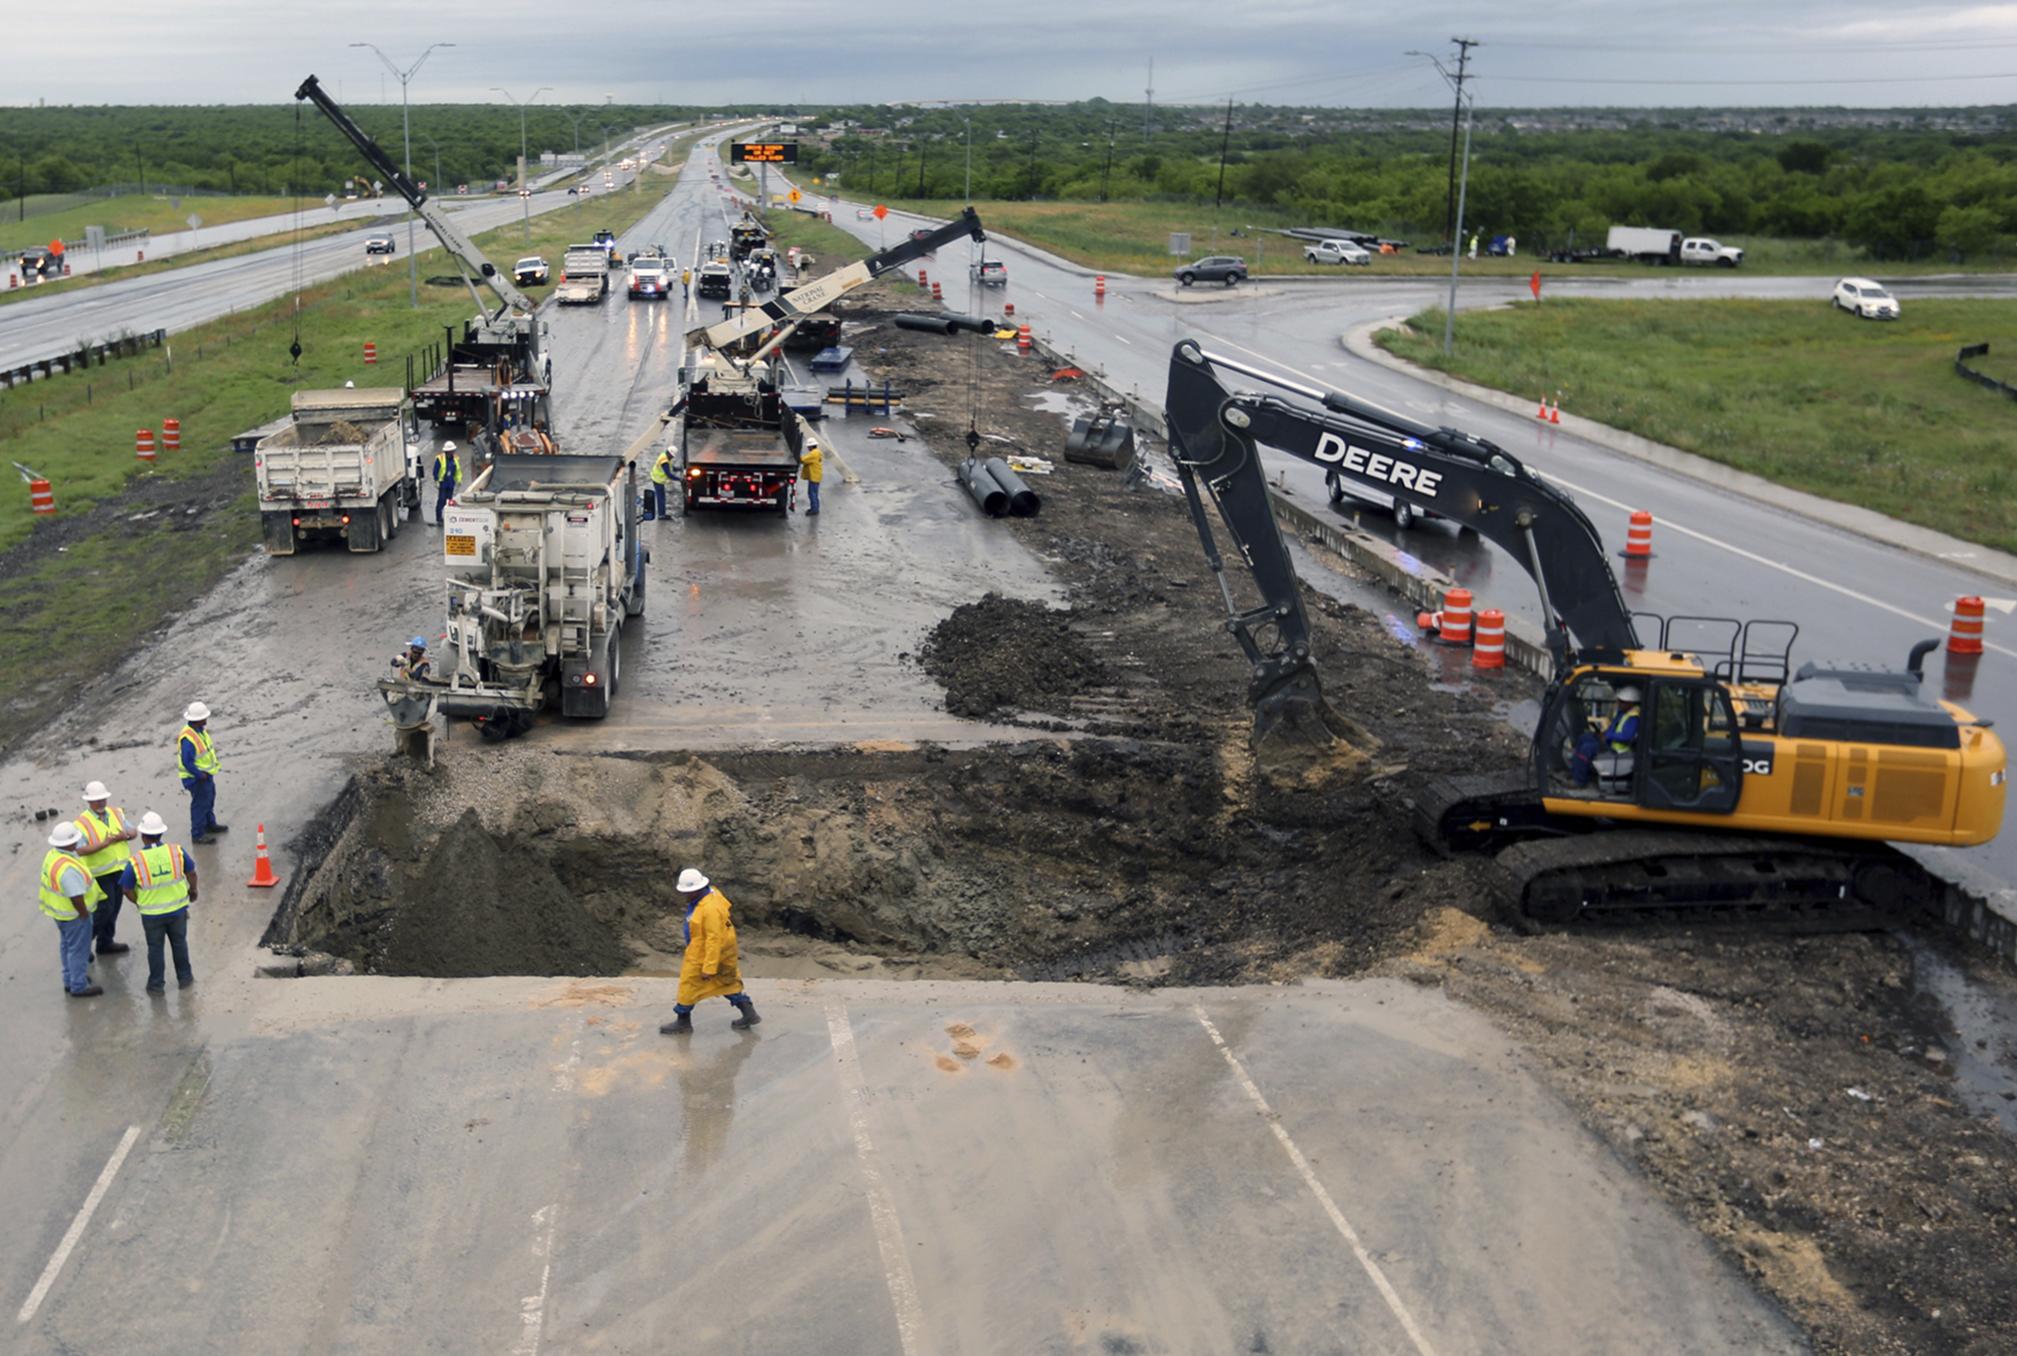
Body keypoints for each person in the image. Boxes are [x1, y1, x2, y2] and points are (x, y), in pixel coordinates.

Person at [660, 868, 760, 1034]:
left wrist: (709, 967)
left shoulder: (710, 909)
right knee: (727, 982)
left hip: (707, 954)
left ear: (697, 890)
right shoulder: (711, 895)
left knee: (688, 985)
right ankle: (749, 1013)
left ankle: (683, 1021)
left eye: (688, 892)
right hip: (722, 953)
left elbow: (714, 940)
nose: (686, 896)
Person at [120, 812, 197, 993]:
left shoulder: (136, 861)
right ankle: (185, 978)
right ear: (161, 833)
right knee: (179, 944)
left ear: (143, 836)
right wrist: (193, 891)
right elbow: (191, 872)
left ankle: (156, 985)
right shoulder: (176, 851)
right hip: (178, 910)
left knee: (155, 948)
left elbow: (125, 888)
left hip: (151, 915)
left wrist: (139, 902)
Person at [74, 780, 137, 958]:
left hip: (120, 868)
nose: (101, 803)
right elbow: (80, 849)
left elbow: (133, 830)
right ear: (89, 801)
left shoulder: (115, 813)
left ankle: (105, 942)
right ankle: (84, 946)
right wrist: (105, 844)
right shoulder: (81, 823)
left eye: (103, 799)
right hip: (100, 873)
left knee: (115, 907)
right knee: (104, 910)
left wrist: (126, 835)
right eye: (97, 800)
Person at [40, 822, 103, 998]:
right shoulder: (68, 868)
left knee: (67, 946)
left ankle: (70, 979)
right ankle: (78, 985)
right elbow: (76, 896)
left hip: (60, 913)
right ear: (69, 843)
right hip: (74, 916)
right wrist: (83, 914)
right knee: (79, 949)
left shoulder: (52, 856)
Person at [176, 701, 227, 843]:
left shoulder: (198, 731)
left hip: (204, 775)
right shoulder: (189, 738)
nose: (206, 719)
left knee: (209, 799)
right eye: (204, 717)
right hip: (196, 778)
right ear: (198, 720)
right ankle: (198, 834)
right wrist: (199, 774)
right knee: (200, 804)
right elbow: (187, 761)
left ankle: (210, 824)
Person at [1571, 686, 1641, 788]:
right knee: (1584, 738)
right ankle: (1575, 772)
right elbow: (1613, 728)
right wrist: (1603, 734)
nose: (1619, 703)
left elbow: (1626, 736)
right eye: (1619, 701)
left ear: (1630, 703)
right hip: (1609, 743)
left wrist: (1607, 736)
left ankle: (1579, 781)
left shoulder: (1633, 718)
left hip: (1617, 751)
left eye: (1622, 702)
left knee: (1587, 748)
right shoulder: (1622, 713)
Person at [433, 441, 461, 528]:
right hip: (443, 483)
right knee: (441, 500)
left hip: (450, 483)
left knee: (449, 501)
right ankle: (439, 518)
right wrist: (437, 481)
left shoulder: (455, 459)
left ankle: (449, 517)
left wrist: (458, 480)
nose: (452, 452)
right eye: (450, 451)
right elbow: (435, 471)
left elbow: (458, 471)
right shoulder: (440, 459)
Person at [647, 447, 674, 521]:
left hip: (656, 478)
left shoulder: (664, 455)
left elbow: (670, 467)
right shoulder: (664, 461)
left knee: (661, 497)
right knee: (661, 498)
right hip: (658, 480)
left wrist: (676, 468)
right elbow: (669, 474)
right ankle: (661, 515)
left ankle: (662, 514)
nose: (672, 458)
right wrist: (679, 479)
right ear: (669, 454)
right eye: (672, 456)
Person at [798, 438, 823, 516]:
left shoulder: (813, 454)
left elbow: (803, 460)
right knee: (814, 493)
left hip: (814, 477)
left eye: (808, 446)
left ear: (811, 446)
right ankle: (815, 508)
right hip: (816, 476)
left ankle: (814, 509)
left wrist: (796, 455)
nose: (808, 448)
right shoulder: (817, 452)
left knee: (812, 493)